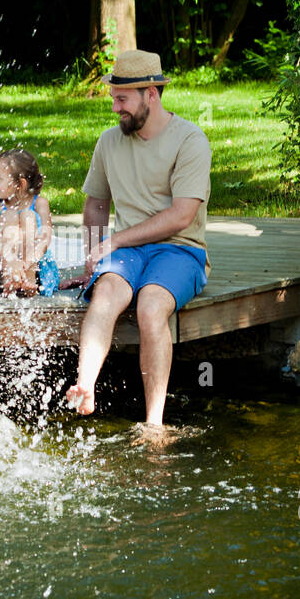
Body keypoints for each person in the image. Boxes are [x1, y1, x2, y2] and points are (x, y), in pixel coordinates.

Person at [64, 49, 212, 428]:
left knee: (150, 307)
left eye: (122, 99)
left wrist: (115, 241)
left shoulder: (190, 140)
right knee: (106, 292)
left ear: (151, 94)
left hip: (181, 250)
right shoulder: (108, 142)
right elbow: (96, 204)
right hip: (129, 251)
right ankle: (85, 385)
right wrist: (92, 258)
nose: (115, 108)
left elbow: (182, 215)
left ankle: (154, 423)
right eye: (114, 99)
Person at [0, 149, 59, 297]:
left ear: (19, 184)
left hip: (34, 262)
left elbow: (45, 238)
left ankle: (29, 280)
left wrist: (28, 261)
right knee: (10, 215)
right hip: (0, 264)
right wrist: (12, 260)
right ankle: (10, 281)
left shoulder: (40, 203)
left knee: (28, 216)